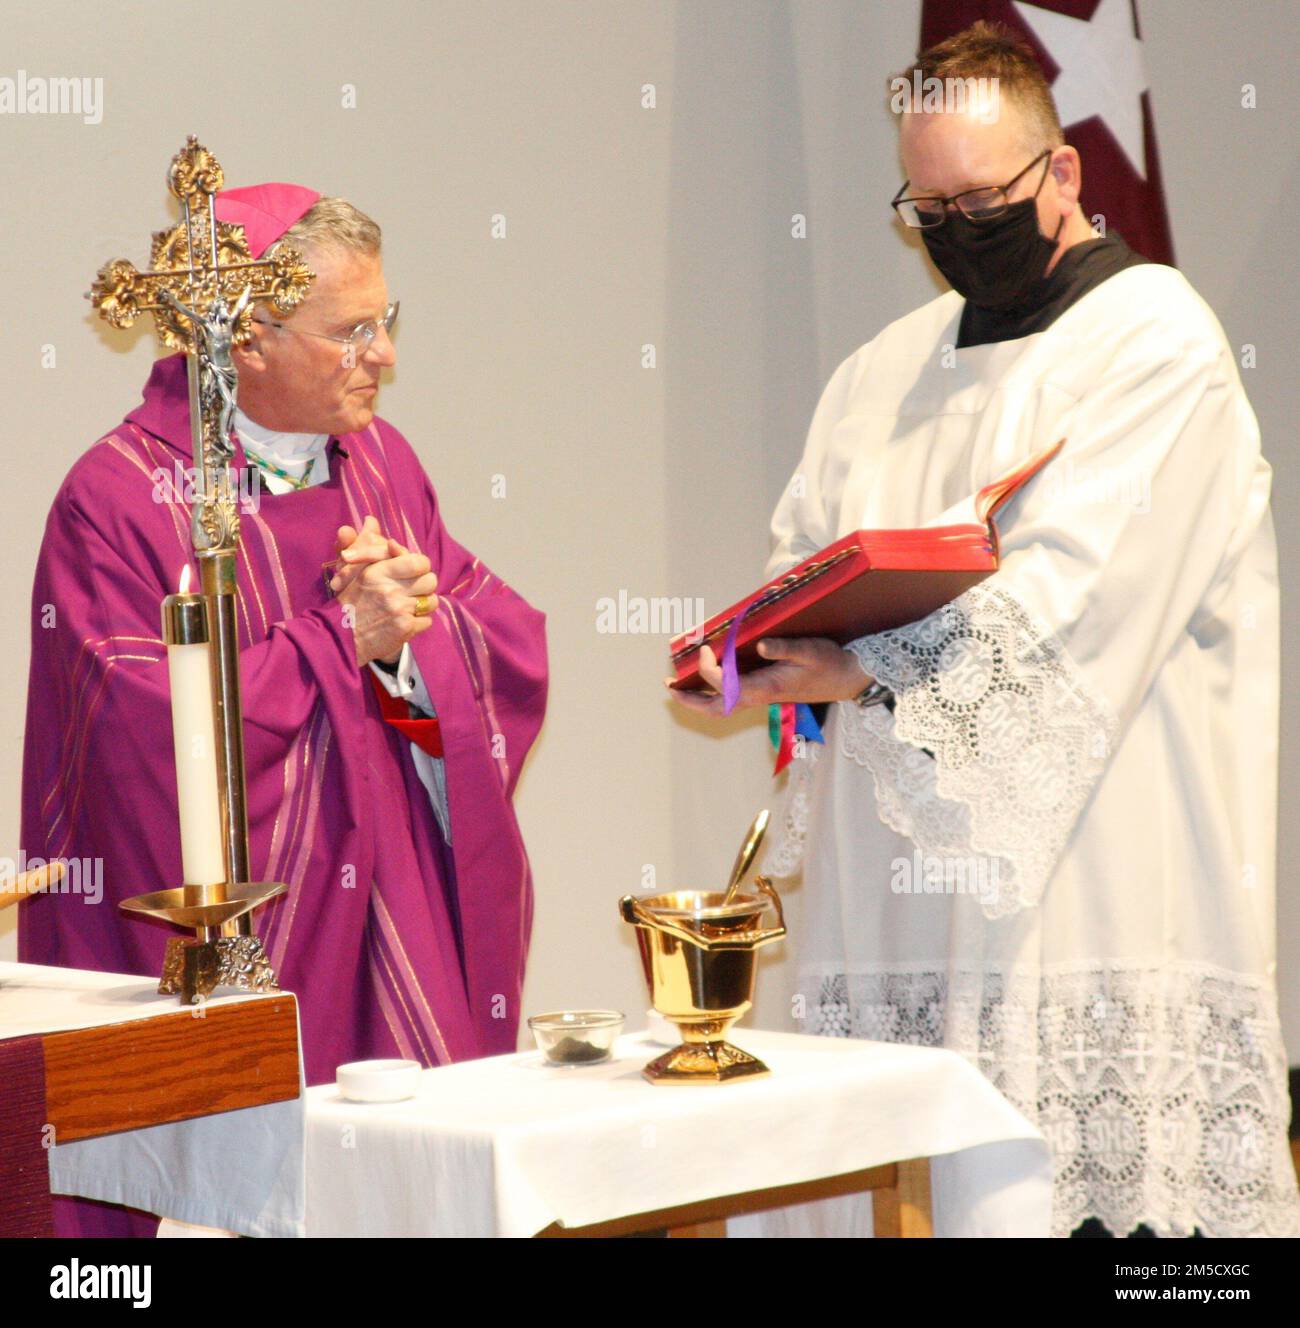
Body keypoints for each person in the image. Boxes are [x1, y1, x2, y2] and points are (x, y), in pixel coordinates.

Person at [672, 23, 1299, 1238]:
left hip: (1098, 885)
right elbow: (800, 554)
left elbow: (1080, 600)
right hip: (894, 895)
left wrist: (867, 664)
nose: (956, 227)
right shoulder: (877, 373)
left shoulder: (1153, 339)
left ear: (1061, 175)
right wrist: (765, 663)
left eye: (983, 197)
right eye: (927, 205)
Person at [22, 183, 548, 1236]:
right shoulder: (118, 497)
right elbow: (137, 742)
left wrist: (414, 645)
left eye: (386, 321)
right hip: (230, 964)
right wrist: (335, 642)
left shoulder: (384, 468)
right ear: (250, 339)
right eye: (352, 332)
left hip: (395, 933)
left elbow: (505, 643)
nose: (385, 356)